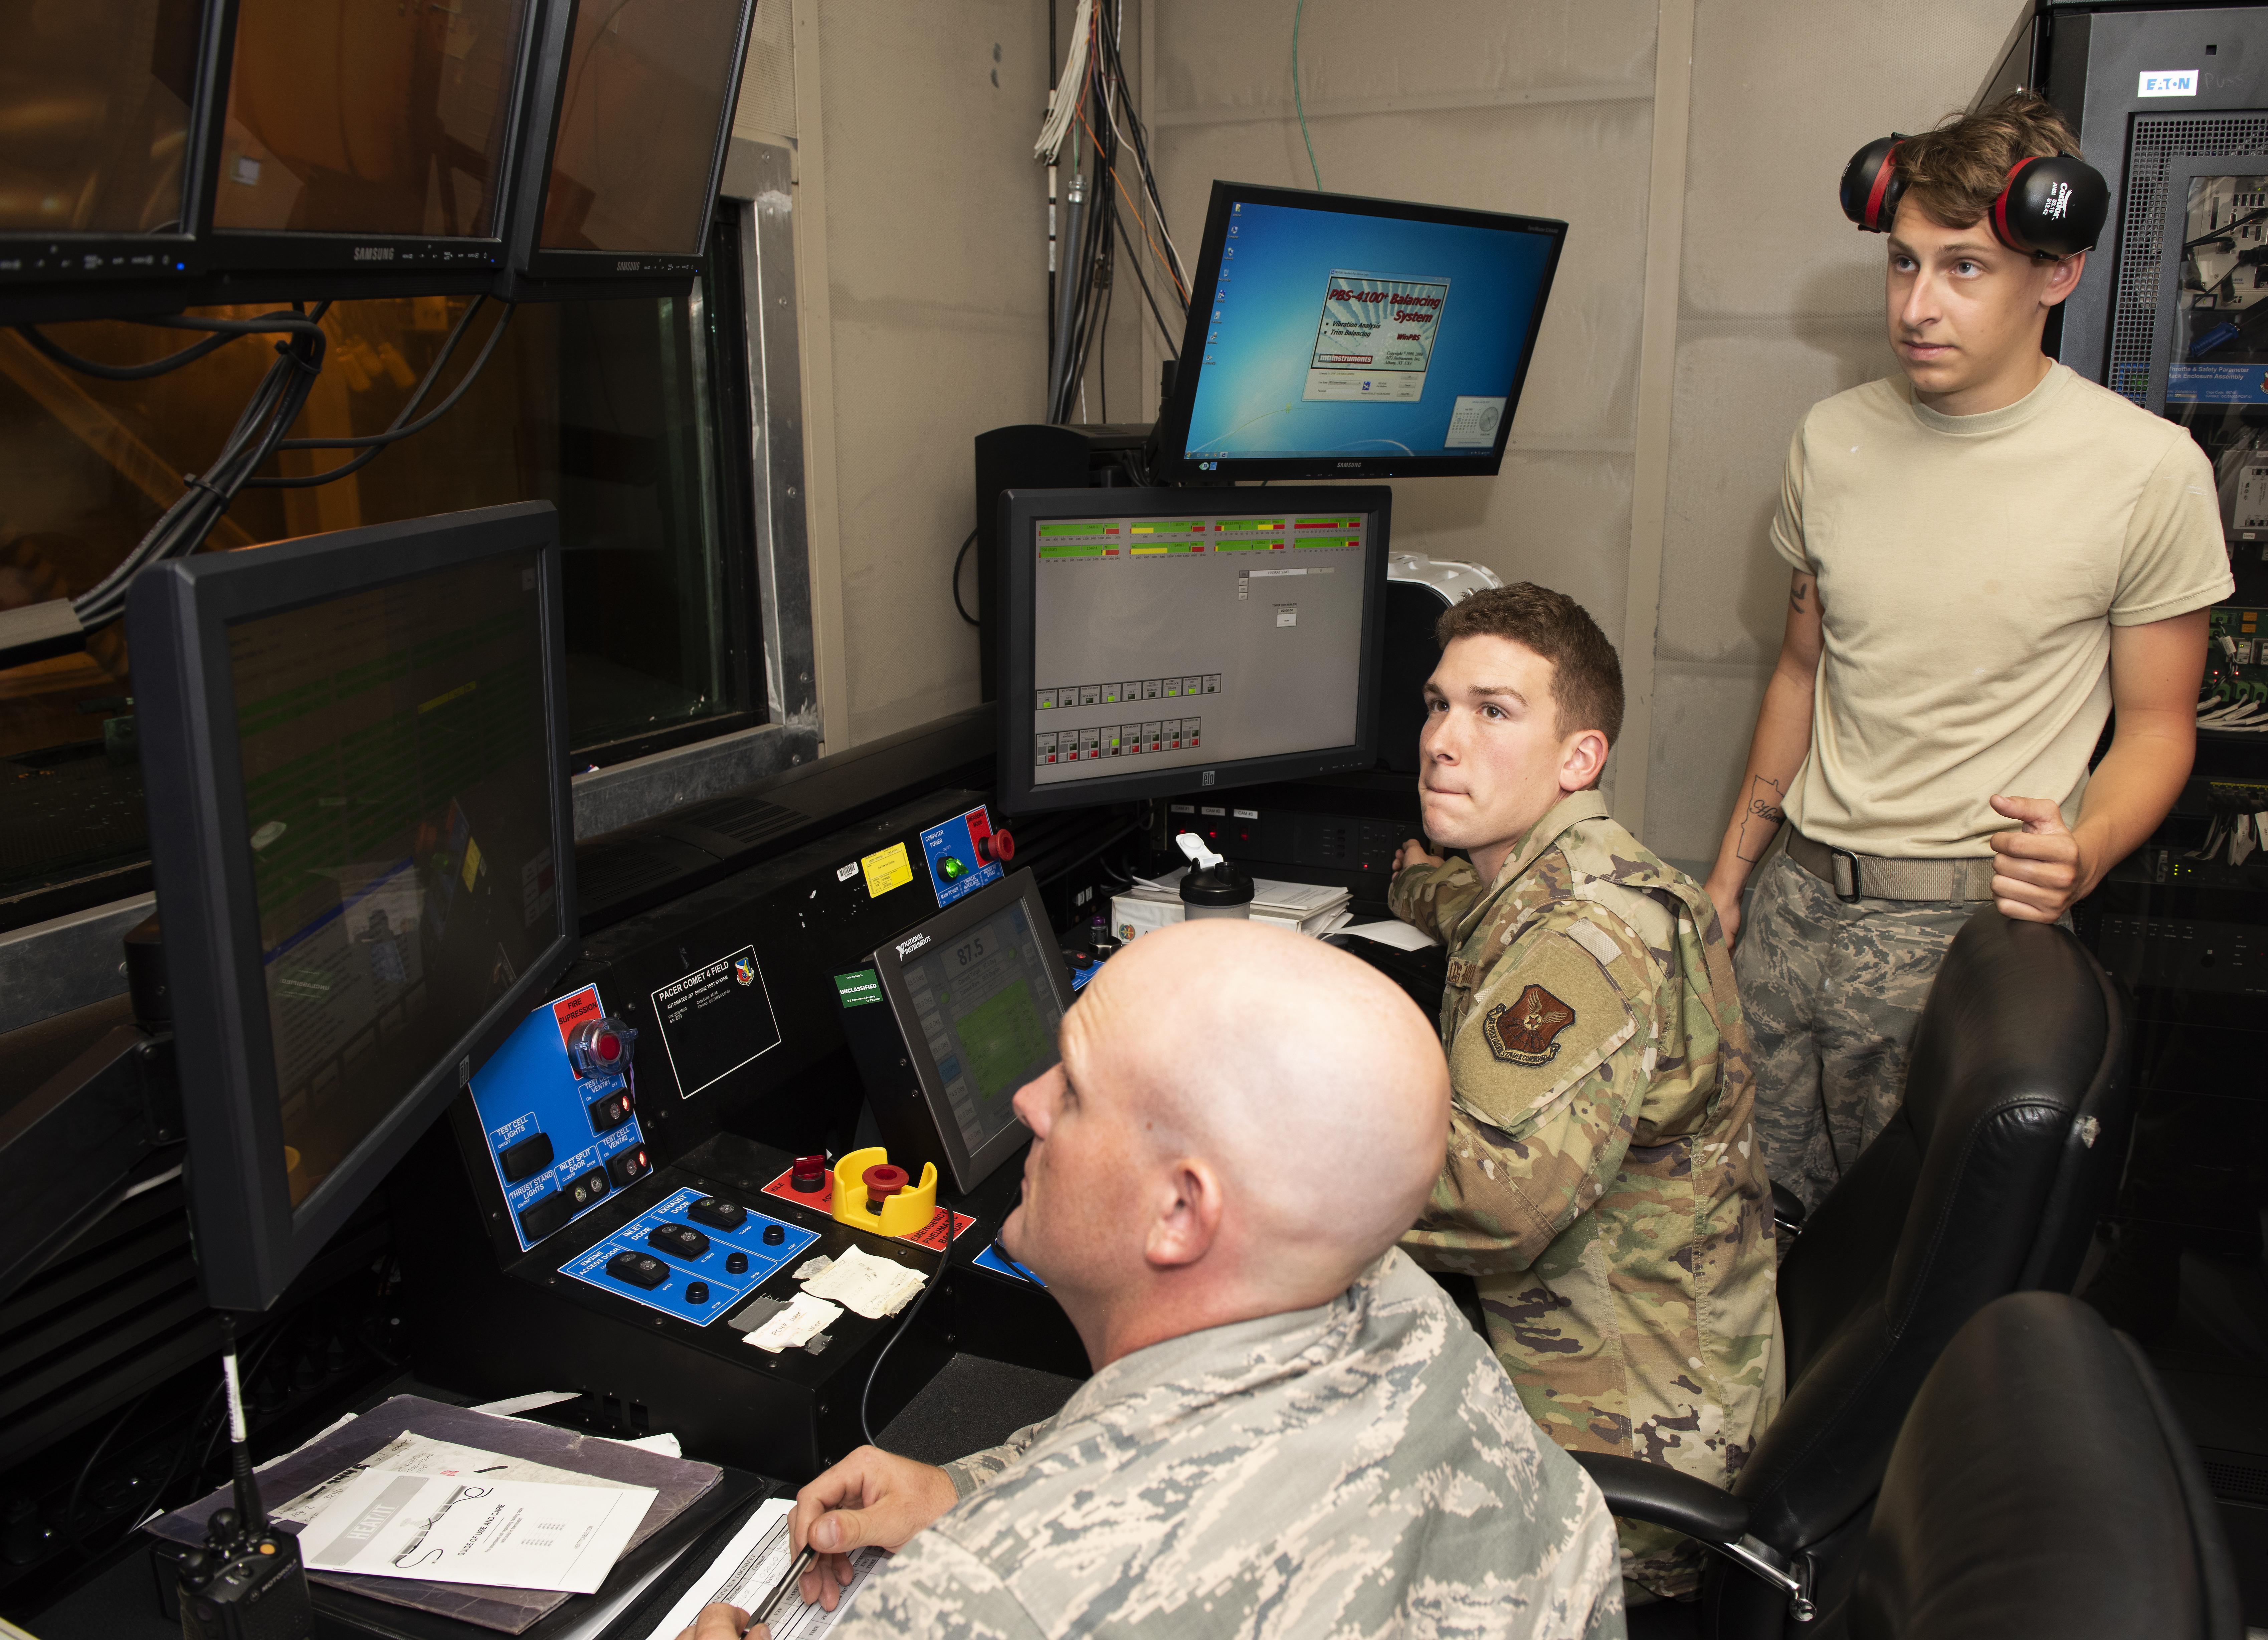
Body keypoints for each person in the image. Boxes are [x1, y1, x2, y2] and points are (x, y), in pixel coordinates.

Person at [676, 918, 1623, 1640]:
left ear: (1182, 1213)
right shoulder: (1399, 1304)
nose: (1027, 1102)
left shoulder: (990, 1602)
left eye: (1075, 1090)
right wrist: (970, 1490)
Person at [1700, 94, 2231, 1212]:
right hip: (1792, 911)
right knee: (1740, 1239)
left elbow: (2158, 726)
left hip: (1963, 932)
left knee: (1906, 1277)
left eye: (1964, 269)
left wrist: (2082, 853)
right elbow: (1803, 671)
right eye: (1902, 264)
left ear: (2057, 274)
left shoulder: (2149, 470)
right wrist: (1730, 881)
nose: (1918, 305)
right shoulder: (1831, 440)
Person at [1386, 583, 1777, 1604]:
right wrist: (1417, 886)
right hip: (1677, 1372)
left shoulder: (1584, 940)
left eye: (1494, 711)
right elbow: (1486, 915)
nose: (1443, 739)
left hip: (1619, 1458)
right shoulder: (1583, 875)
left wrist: (1251, 1166)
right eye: (1438, 704)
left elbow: (1488, 1206)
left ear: (1579, 759)